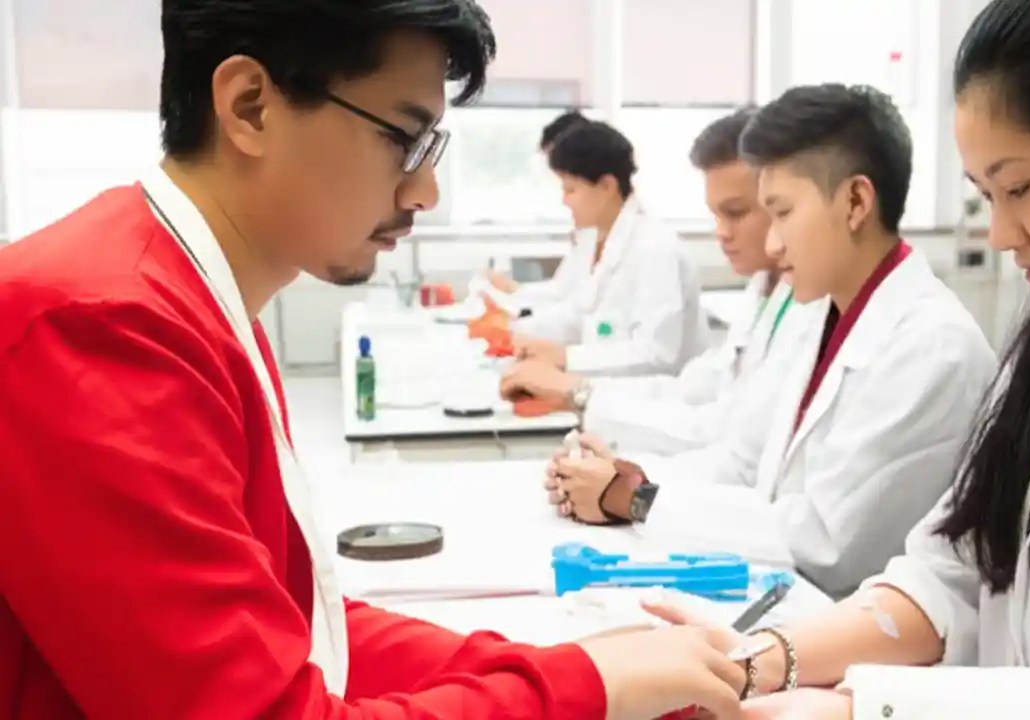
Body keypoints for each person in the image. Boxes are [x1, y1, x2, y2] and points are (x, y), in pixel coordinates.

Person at [0, 2, 749, 718]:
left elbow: (297, 629)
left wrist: (562, 668)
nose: (425, 191)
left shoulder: (189, 301)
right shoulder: (102, 325)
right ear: (251, 105)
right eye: (404, 138)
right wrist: (579, 689)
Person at [647, 1, 1030, 717]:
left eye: (1019, 188)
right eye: (984, 196)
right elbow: (954, 567)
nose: (1003, 233)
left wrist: (860, 708)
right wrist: (766, 658)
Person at [545, 85, 996, 599]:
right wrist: (628, 477)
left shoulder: (931, 347)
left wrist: (638, 498)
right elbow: (748, 464)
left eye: (781, 213)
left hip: (856, 633)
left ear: (855, 202)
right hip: (787, 600)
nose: (773, 242)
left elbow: (829, 547)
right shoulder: (823, 314)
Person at [499, 109, 807, 456]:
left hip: (677, 441)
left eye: (570, 189)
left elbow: (661, 360)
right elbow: (695, 387)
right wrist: (568, 378)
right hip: (658, 426)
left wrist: (577, 385)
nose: (720, 232)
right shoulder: (763, 288)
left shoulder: (657, 247)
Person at [511, 120, 711, 376]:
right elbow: (579, 317)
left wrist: (566, 357)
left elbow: (657, 353)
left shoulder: (656, 248)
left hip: (659, 402)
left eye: (571, 189)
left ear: (607, 186)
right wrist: (515, 332)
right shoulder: (608, 241)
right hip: (611, 395)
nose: (564, 201)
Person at [486, 109, 592, 299]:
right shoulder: (585, 225)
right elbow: (565, 290)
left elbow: (574, 300)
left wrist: (514, 291)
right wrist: (514, 290)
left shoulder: (604, 225)